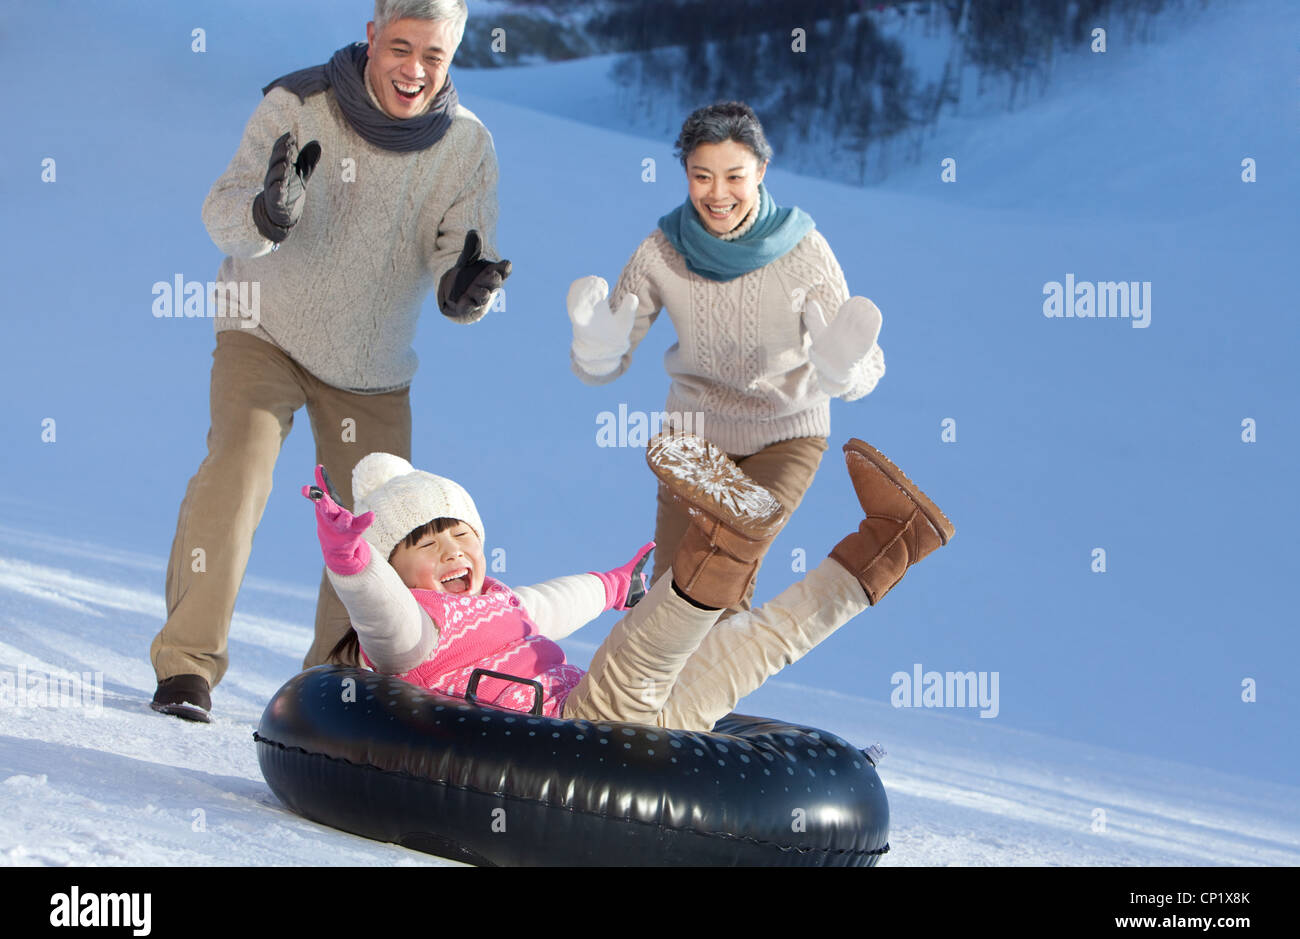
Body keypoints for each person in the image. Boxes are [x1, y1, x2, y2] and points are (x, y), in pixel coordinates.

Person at [150, 0, 511, 722]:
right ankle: (187, 665)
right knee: (239, 466)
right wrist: (265, 215)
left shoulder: (467, 146)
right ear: (372, 37)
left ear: (451, 58)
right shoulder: (299, 103)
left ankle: (335, 688)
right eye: (400, 47)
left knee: (381, 526)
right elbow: (221, 209)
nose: (413, 70)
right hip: (266, 330)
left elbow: (460, 251)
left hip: (371, 364)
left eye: (432, 56)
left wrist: (466, 289)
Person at [304, 432, 953, 732]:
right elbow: (376, 607)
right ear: (395, 566)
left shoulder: (499, 604)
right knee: (643, 650)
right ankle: (725, 536)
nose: (450, 551)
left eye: (460, 534)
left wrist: (616, 587)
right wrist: (350, 557)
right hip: (579, 730)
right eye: (424, 542)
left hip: (629, 731)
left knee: (749, 645)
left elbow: (556, 600)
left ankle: (889, 543)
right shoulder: (411, 631)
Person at [567, 101, 887, 619]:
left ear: (761, 170)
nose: (718, 194)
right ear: (686, 175)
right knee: (673, 581)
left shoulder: (804, 251)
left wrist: (843, 369)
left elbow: (860, 362)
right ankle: (642, 692)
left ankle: (706, 695)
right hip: (692, 432)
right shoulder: (662, 250)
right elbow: (610, 355)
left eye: (735, 176)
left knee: (727, 568)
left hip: (786, 433)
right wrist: (597, 351)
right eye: (702, 176)